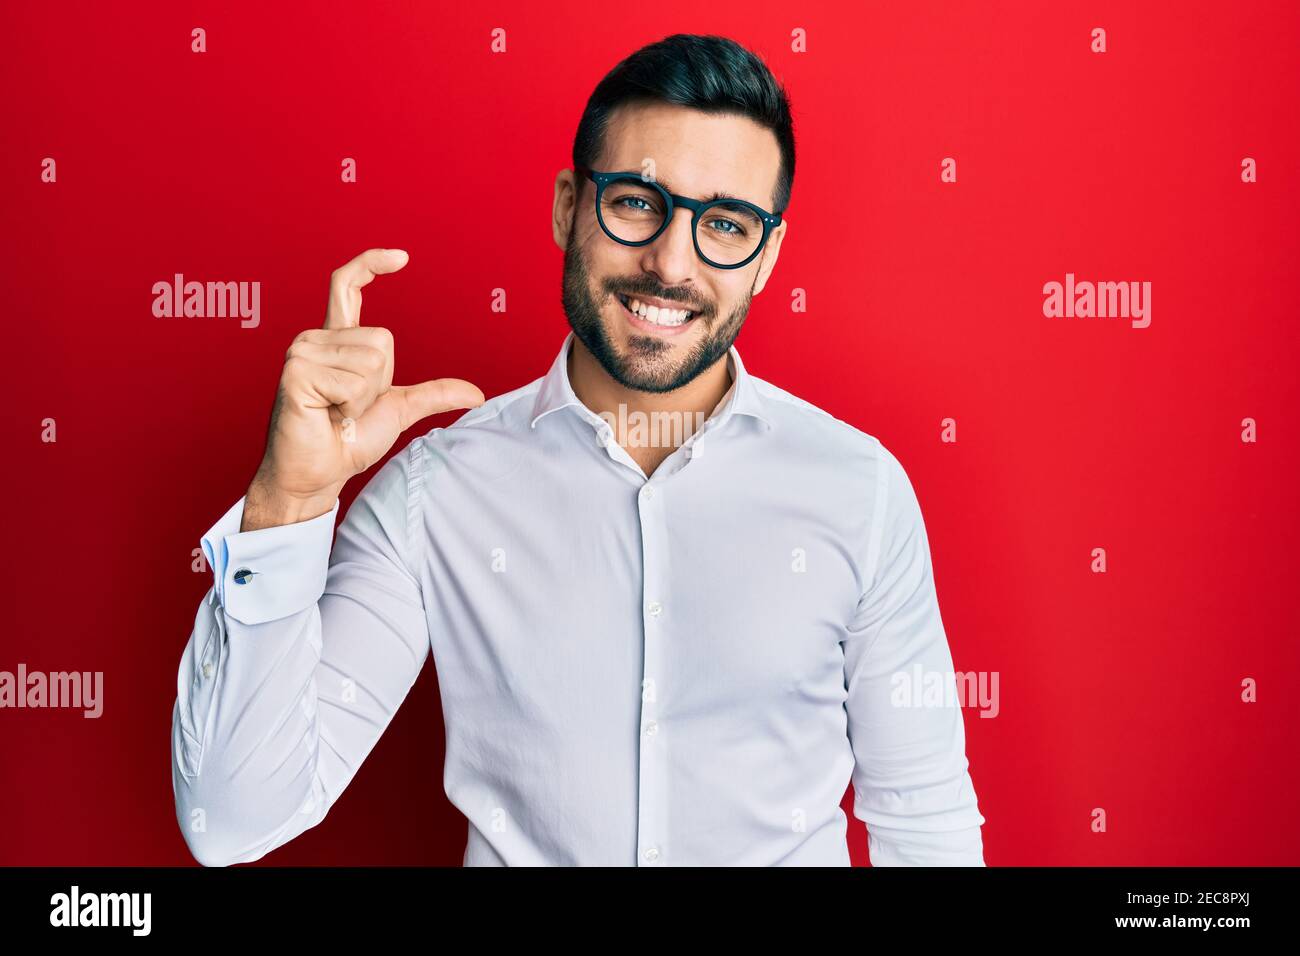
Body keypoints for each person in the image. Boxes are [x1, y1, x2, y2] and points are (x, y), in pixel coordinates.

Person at [170, 32, 986, 866]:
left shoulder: (860, 491)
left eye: (728, 224)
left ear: (768, 257)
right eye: (636, 201)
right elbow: (231, 820)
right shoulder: (434, 495)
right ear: (569, 205)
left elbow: (926, 826)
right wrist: (290, 502)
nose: (672, 263)